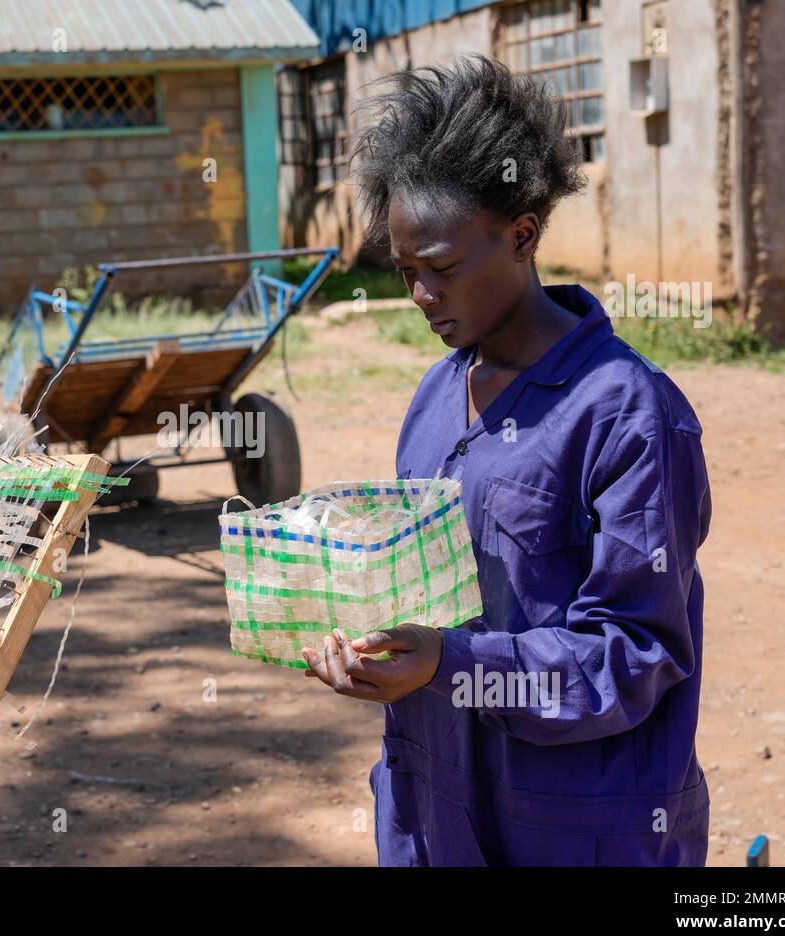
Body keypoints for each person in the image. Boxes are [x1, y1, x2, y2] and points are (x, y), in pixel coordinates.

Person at [299, 58, 712, 866]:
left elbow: (636, 652)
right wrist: (366, 642)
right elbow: (422, 591)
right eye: (406, 270)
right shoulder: (435, 397)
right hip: (438, 806)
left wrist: (453, 663)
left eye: (443, 268)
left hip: (572, 824)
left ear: (522, 235)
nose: (420, 294)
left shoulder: (626, 413)